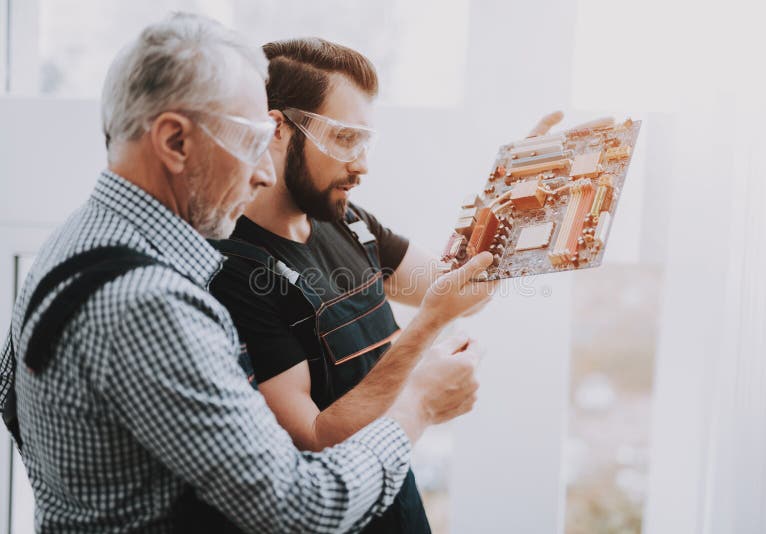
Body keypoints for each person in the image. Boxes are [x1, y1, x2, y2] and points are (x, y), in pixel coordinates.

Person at [0, 14, 489, 533]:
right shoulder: (148, 303)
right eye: (251, 141)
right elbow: (300, 510)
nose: (262, 172)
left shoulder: (78, 241)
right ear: (175, 142)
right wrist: (418, 405)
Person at [209, 37, 559, 533]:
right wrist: (430, 326)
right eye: (345, 139)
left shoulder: (348, 221)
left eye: (365, 141)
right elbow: (312, 442)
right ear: (276, 128)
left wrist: (517, 191)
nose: (362, 164)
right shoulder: (237, 271)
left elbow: (456, 285)